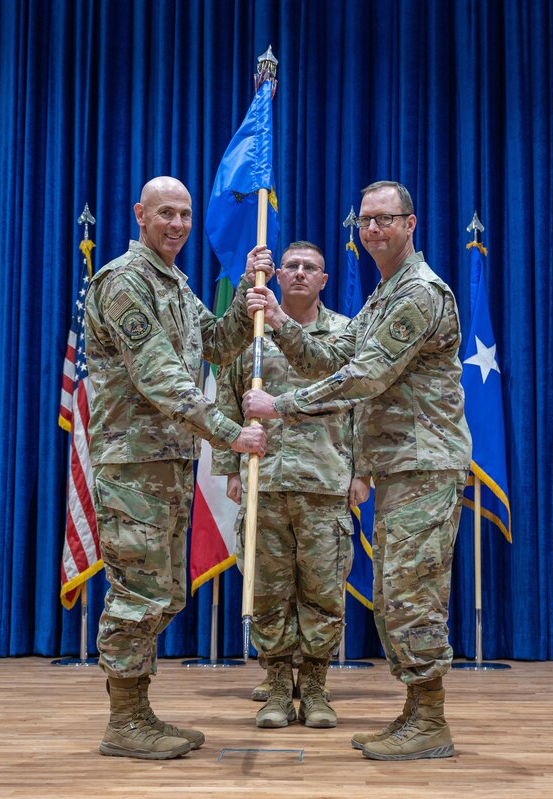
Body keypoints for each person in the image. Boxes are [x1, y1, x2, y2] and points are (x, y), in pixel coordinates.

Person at [241, 181, 471, 761]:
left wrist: (283, 406)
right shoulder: (385, 293)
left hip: (423, 463)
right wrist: (280, 321)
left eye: (385, 220)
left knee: (413, 595)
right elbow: (333, 357)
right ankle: (416, 713)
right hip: (399, 465)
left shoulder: (418, 292)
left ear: (410, 224)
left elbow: (365, 376)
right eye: (364, 221)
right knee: (396, 594)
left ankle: (431, 722)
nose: (372, 230)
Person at [84, 175, 270, 760]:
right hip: (135, 463)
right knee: (136, 592)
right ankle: (124, 722)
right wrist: (230, 434)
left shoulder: (177, 287)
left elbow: (212, 345)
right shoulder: (123, 282)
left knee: (162, 591)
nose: (177, 224)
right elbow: (160, 377)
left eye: (185, 215)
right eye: (165, 213)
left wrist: (247, 295)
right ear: (139, 213)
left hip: (168, 462)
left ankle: (139, 713)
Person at [212, 240, 370, 730]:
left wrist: (361, 471)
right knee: (266, 593)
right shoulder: (251, 335)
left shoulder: (345, 333)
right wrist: (230, 466)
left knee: (324, 592)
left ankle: (317, 690)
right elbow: (226, 401)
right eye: (292, 266)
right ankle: (278, 689)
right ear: (277, 275)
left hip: (325, 484)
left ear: (324, 280)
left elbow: (363, 405)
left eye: (311, 268)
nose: (300, 273)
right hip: (266, 483)